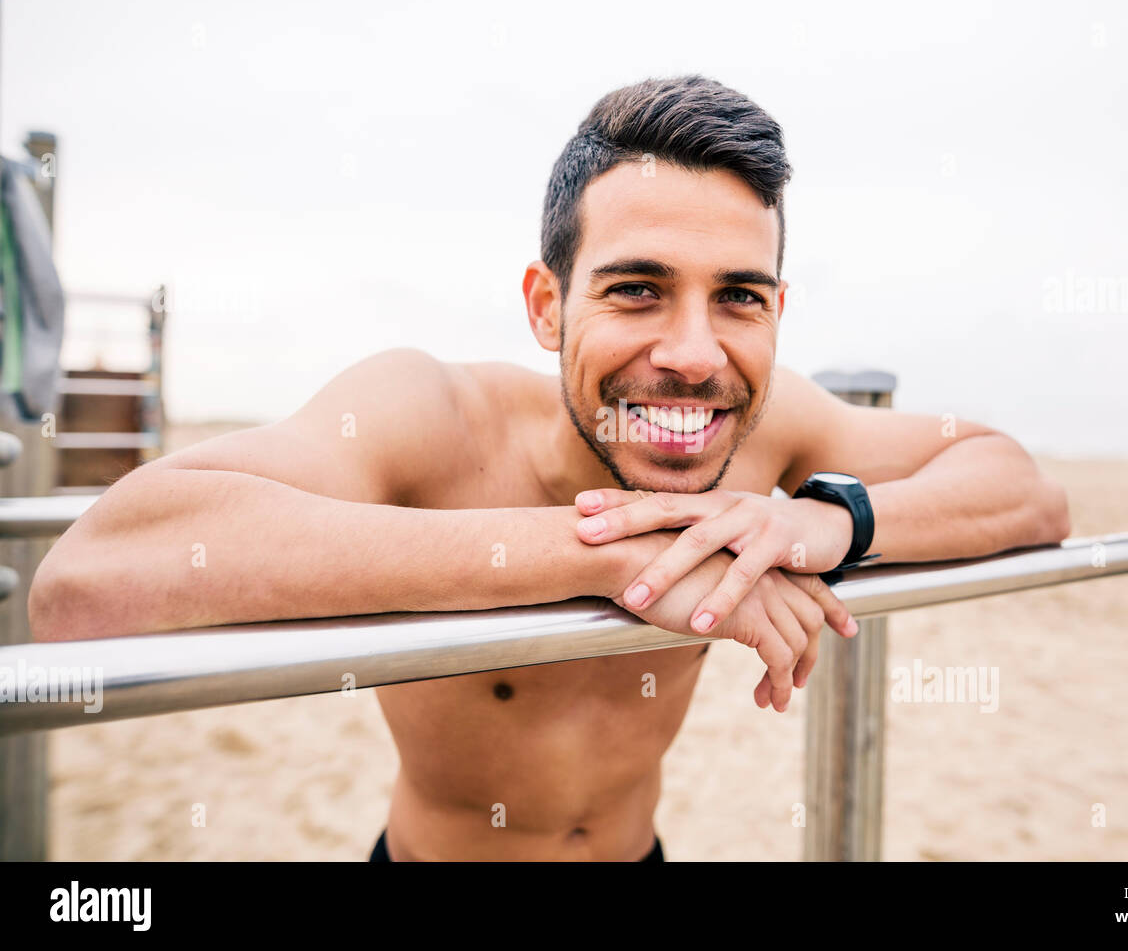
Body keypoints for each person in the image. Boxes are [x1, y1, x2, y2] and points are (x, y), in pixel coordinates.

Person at [30, 75, 1070, 861]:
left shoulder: (770, 428)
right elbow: (91, 579)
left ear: (777, 312)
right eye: (636, 289)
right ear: (545, 304)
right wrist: (614, 554)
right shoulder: (427, 411)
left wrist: (824, 523)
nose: (695, 353)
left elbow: (1020, 483)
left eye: (739, 296)